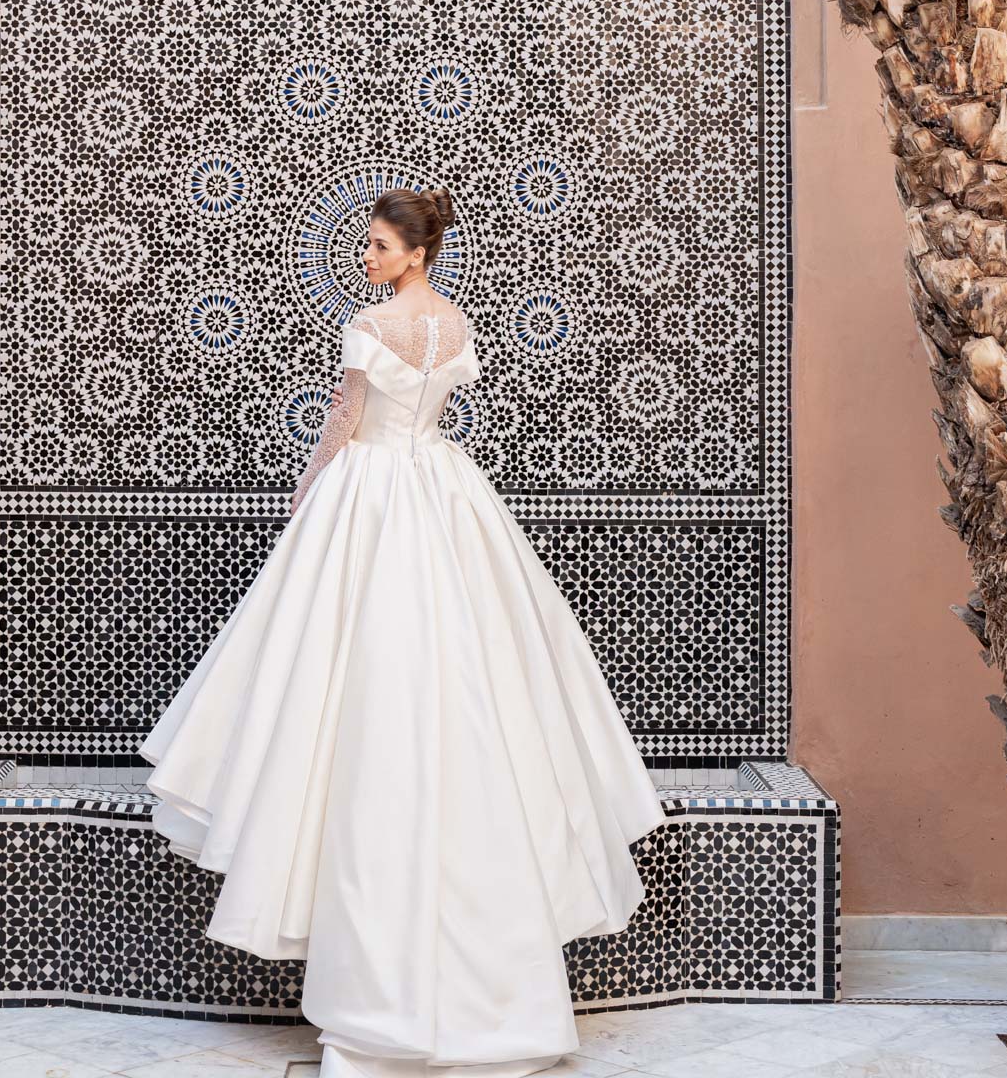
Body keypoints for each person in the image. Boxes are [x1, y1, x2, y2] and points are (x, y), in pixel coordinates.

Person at [139, 186, 665, 1078]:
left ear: (415, 253)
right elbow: (433, 414)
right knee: (472, 677)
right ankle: (486, 992)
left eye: (382, 248)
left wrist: (306, 496)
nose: (371, 259)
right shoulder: (456, 329)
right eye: (371, 247)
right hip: (445, 494)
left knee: (357, 679)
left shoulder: (370, 328)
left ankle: (382, 995)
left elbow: (346, 421)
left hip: (372, 495)